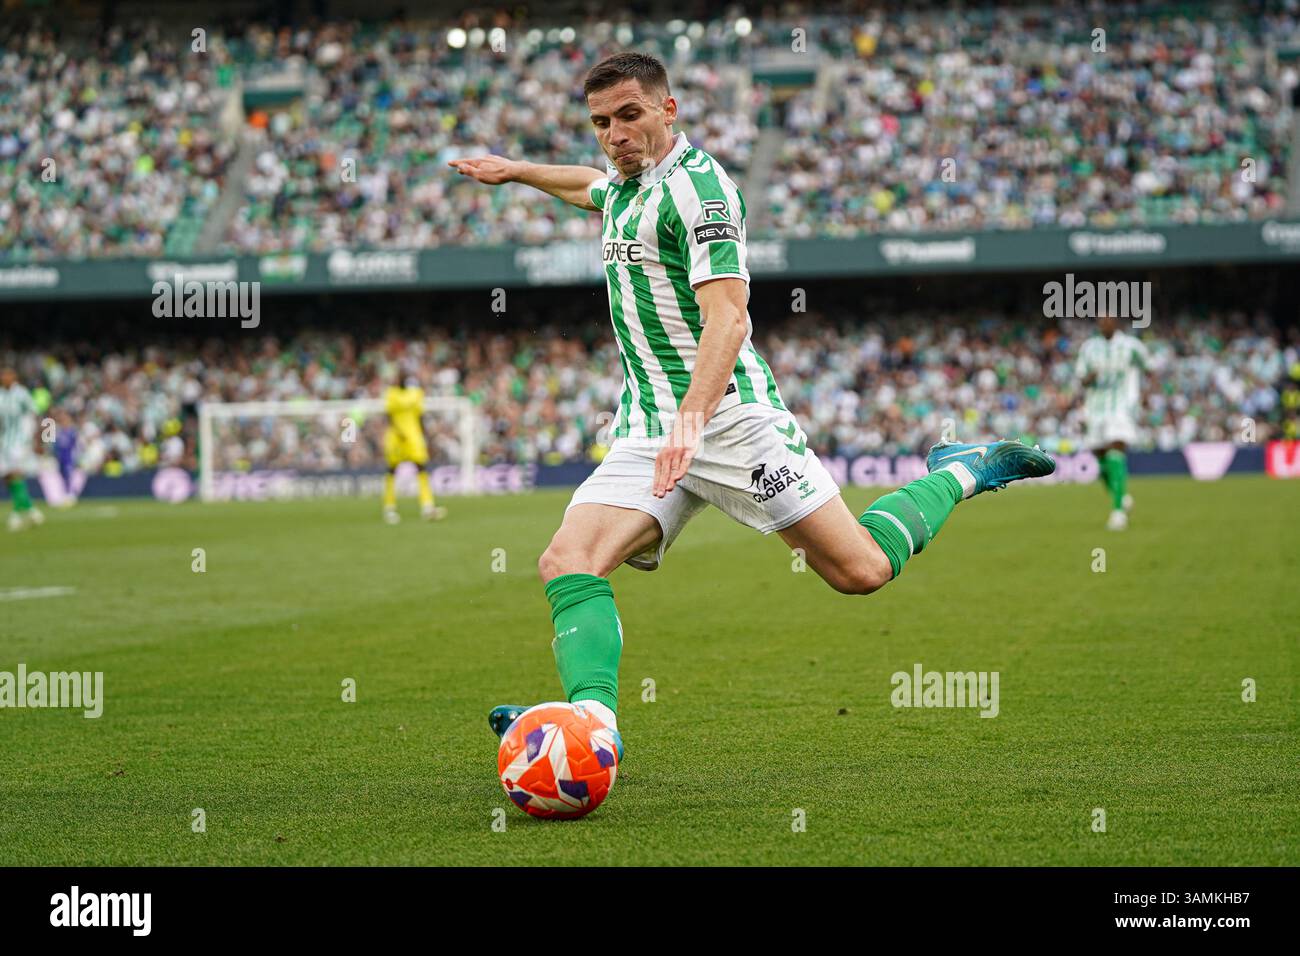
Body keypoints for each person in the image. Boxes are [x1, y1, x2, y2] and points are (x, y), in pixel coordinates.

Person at [450, 51, 1054, 765]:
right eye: (601, 122)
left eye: (630, 116)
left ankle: (964, 468)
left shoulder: (701, 193)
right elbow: (589, 188)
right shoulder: (623, 185)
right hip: (650, 428)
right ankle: (594, 730)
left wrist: (692, 421)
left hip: (730, 420)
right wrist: (515, 170)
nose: (614, 134)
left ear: (668, 111)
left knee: (859, 571)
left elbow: (729, 320)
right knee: (567, 559)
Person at [1075, 315, 1151, 530]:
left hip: (1122, 407)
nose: (1104, 324)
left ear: (1116, 323)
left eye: (1108, 320)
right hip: (1095, 409)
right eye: (1100, 321)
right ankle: (1122, 495)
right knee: (1101, 461)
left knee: (1115, 450)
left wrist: (1146, 394)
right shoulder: (1089, 348)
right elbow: (1081, 378)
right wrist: (1091, 376)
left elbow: (1149, 368)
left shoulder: (1131, 346)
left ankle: (1118, 513)